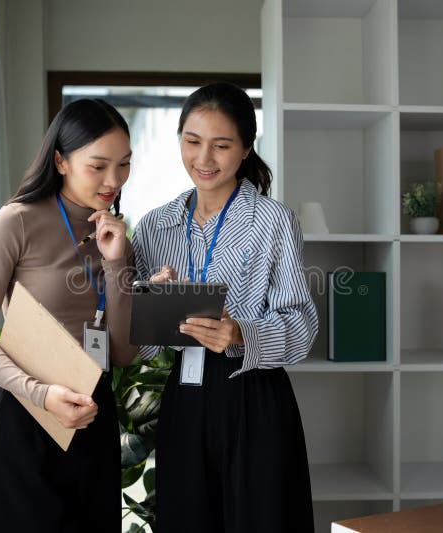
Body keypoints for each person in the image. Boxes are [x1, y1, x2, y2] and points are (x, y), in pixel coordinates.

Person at [131, 82, 318, 532]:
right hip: (184, 399)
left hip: (253, 397)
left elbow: (303, 327)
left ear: (246, 149)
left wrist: (241, 333)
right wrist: (150, 305)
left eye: (221, 145)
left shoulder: (274, 221)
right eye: (192, 142)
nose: (204, 158)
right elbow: (139, 349)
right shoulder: (156, 227)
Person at [0, 98, 136, 532]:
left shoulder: (116, 235)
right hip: (24, 417)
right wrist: (39, 393)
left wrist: (117, 262)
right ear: (60, 160)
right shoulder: (17, 221)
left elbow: (125, 353)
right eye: (98, 166)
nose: (114, 180)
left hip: (93, 416)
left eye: (124, 164)